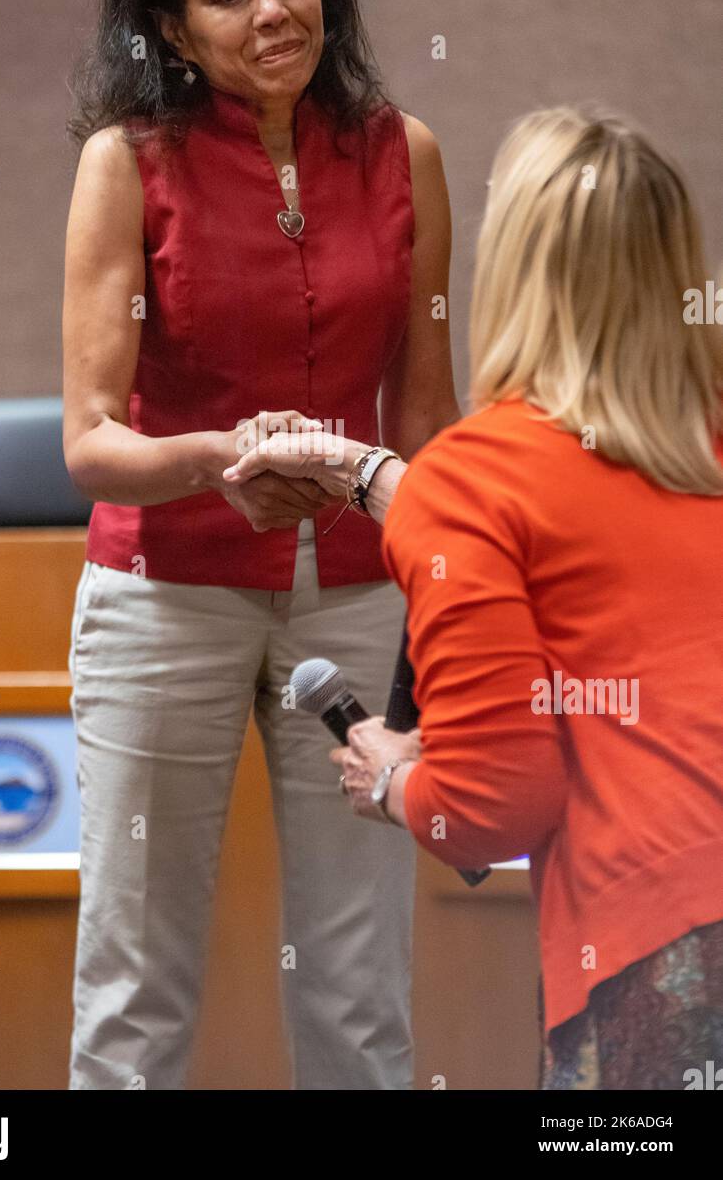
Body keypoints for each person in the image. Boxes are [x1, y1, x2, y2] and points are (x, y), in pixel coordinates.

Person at [226, 104, 723, 1090]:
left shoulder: (473, 479)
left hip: (661, 949)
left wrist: (395, 780)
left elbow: (495, 805)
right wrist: (362, 467)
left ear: (510, 269)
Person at [62, 0, 459, 1089]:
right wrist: (213, 463)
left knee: (357, 988)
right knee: (135, 981)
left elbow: (431, 416)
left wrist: (445, 599)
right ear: (174, 31)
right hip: (162, 587)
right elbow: (87, 436)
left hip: (358, 588)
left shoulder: (406, 153)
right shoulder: (126, 162)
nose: (271, 10)